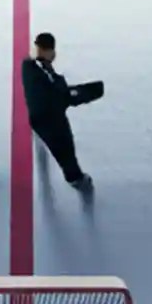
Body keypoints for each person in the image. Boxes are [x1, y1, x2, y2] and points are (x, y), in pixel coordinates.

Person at [21, 33, 93, 191]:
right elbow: (58, 95)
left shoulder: (28, 65)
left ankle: (41, 144)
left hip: (37, 117)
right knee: (65, 148)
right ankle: (75, 179)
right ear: (48, 50)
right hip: (50, 119)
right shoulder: (41, 69)